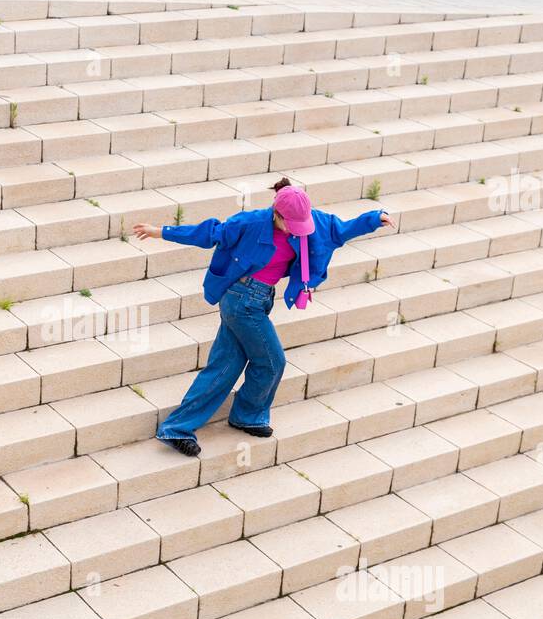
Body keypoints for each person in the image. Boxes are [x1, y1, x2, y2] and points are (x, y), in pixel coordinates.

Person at [132, 178, 394, 457]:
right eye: (291, 225)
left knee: (224, 366)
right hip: (241, 300)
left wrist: (375, 218)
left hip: (261, 298)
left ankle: (183, 427)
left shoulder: (312, 222)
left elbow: (341, 230)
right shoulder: (249, 223)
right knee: (272, 362)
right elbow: (209, 234)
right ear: (277, 213)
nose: (297, 231)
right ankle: (246, 413)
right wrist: (161, 231)